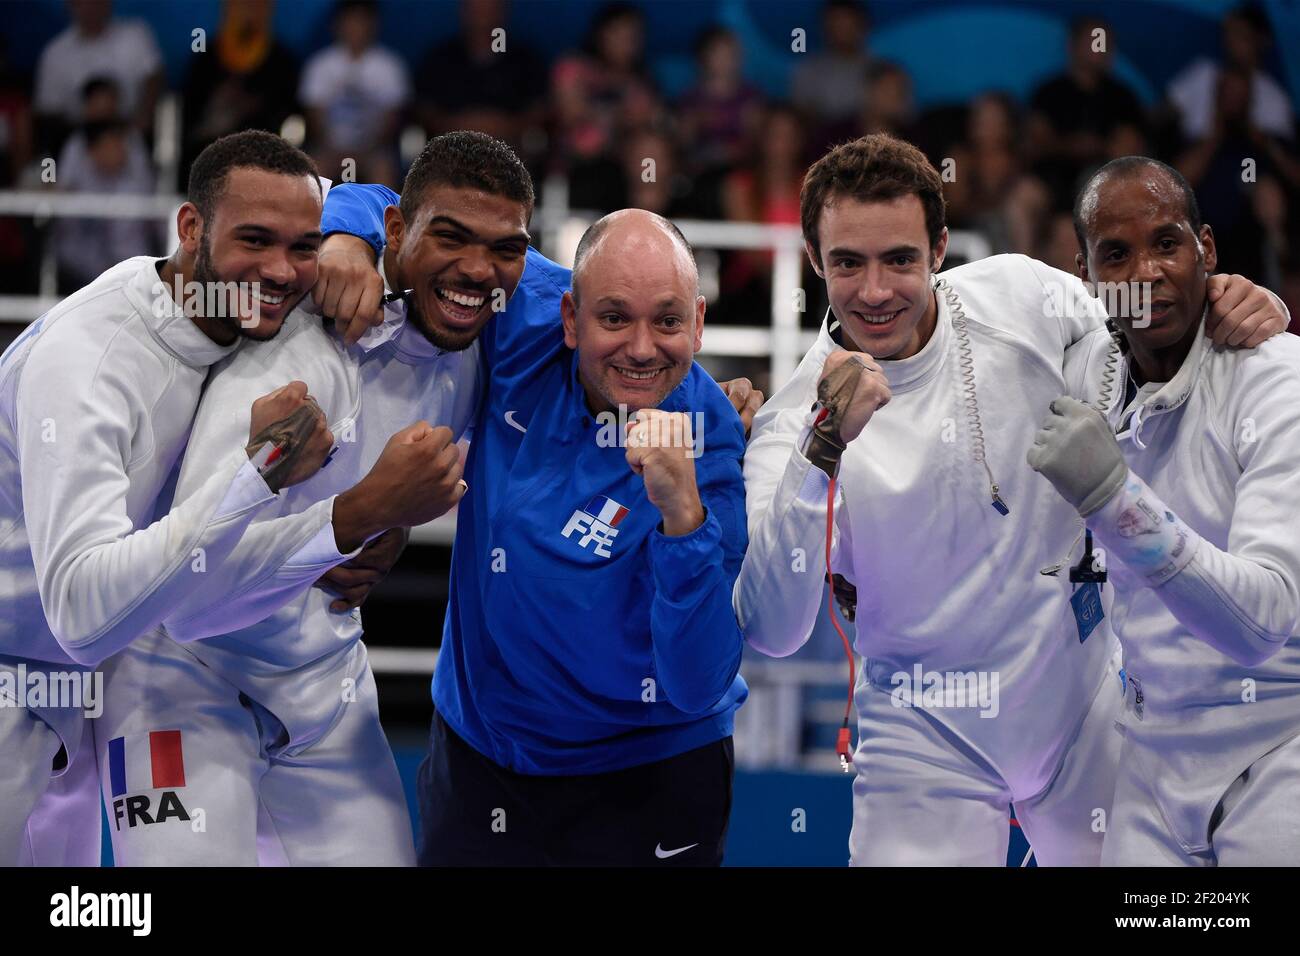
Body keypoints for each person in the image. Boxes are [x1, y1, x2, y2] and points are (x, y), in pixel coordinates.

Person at [733, 133, 1288, 866]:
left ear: (939, 248)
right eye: (848, 263)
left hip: (1081, 706)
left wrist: (1226, 299)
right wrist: (823, 447)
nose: (874, 291)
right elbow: (772, 630)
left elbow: (1144, 325)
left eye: (899, 259)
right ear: (813, 259)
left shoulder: (1022, 295)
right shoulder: (793, 423)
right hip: (922, 737)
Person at [94, 131, 534, 866]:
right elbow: (189, 601)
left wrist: (385, 528)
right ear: (396, 229)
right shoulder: (297, 348)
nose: (476, 269)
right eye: (451, 237)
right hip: (178, 674)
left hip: (323, 679)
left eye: (505, 249)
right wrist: (362, 514)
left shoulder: (469, 350)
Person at [314, 187, 762, 866]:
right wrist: (349, 240)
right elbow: (408, 208)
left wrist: (683, 519)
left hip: (649, 774)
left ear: (698, 324)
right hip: (481, 760)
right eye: (615, 318)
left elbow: (698, 683)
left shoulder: (712, 444)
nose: (642, 348)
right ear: (571, 317)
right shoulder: (524, 313)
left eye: (668, 321)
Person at [0, 130, 332, 866]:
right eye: (255, 240)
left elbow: (380, 215)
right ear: (190, 227)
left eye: (304, 247)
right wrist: (260, 469)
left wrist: (355, 248)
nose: (282, 270)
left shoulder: (227, 310)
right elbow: (81, 613)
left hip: (74, 687)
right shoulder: (89, 366)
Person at [1031, 156, 1300, 866]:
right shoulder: (1082, 369)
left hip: (1280, 743)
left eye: (1168, 244)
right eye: (1117, 255)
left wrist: (1114, 499)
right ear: (1086, 274)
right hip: (1150, 754)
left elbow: (1262, 622)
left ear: (1206, 248)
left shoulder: (1279, 381)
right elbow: (927, 323)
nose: (1146, 273)